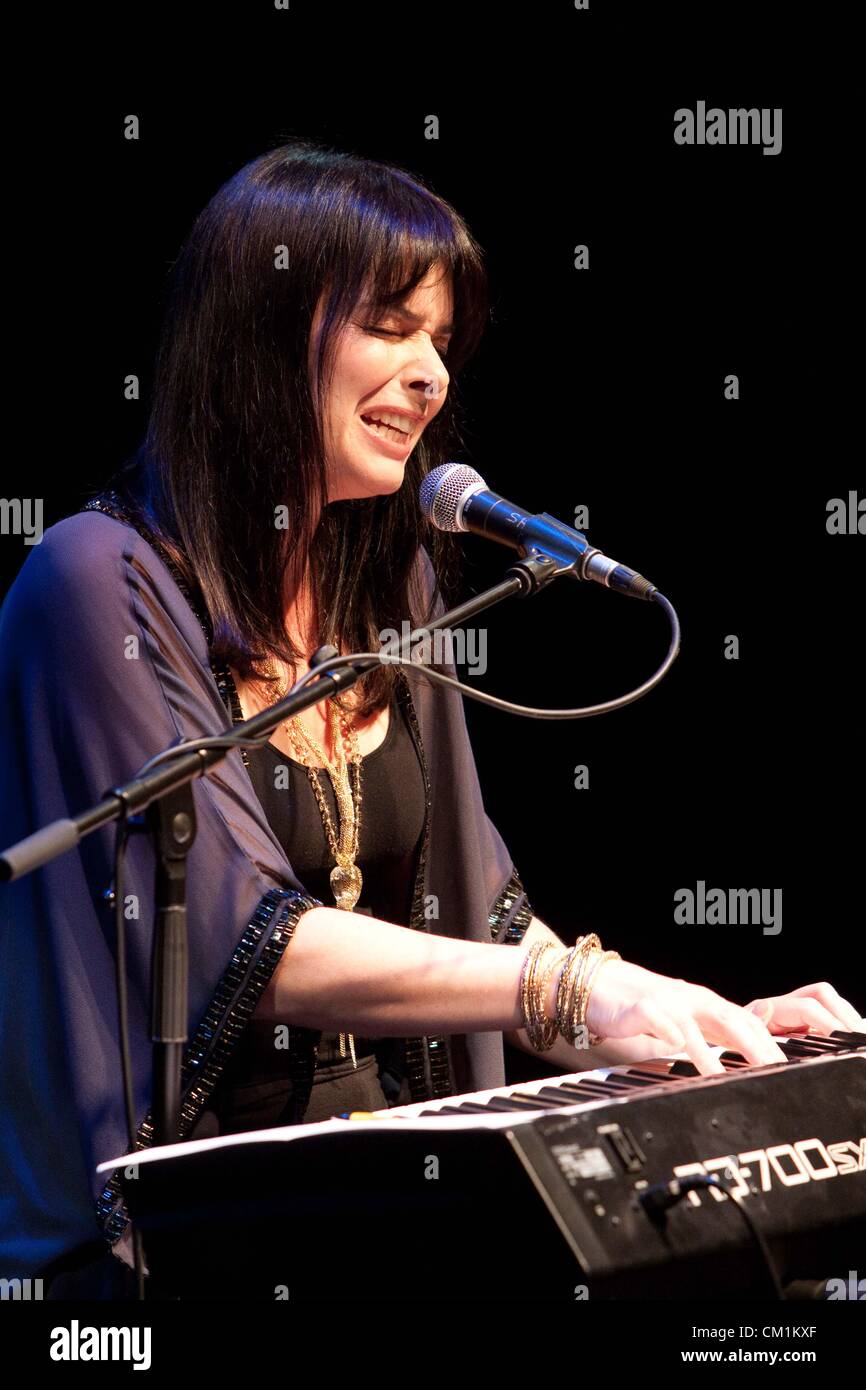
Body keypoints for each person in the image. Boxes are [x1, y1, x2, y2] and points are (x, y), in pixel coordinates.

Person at [1, 140, 862, 1300]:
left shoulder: (389, 584)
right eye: (392, 328)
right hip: (171, 1240)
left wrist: (694, 1031)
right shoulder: (95, 582)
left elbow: (479, 920)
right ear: (261, 332)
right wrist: (577, 994)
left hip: (387, 1184)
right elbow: (249, 941)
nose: (431, 375)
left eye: (440, 343)